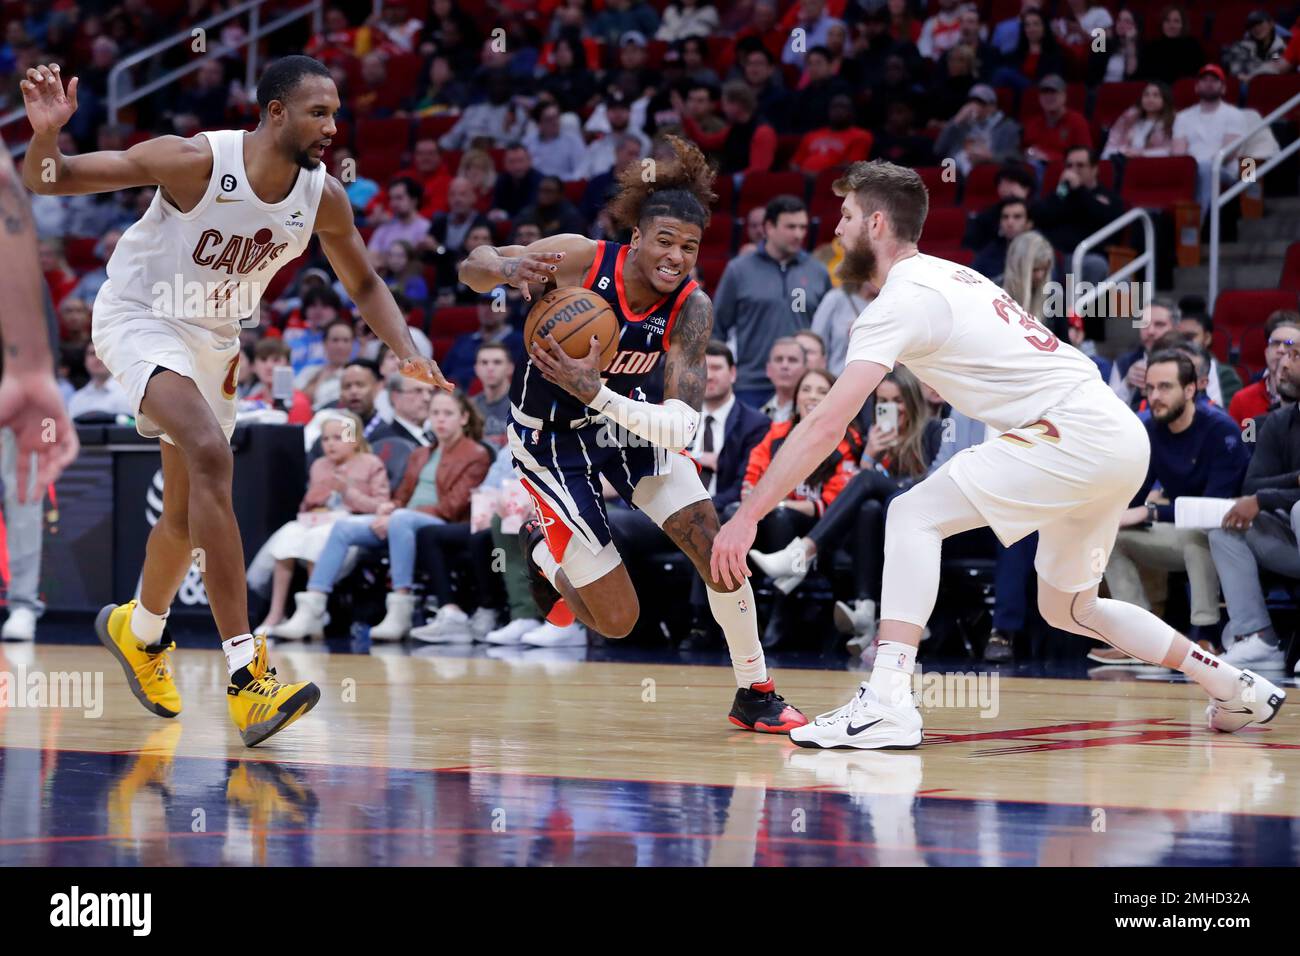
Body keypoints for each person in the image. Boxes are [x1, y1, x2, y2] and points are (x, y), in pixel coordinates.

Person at [710, 159, 1285, 749]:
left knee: (912, 514)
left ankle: (887, 701)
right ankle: (1230, 683)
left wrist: (746, 516)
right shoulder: (956, 276)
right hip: (1112, 433)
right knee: (1071, 607)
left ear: (877, 223)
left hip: (1070, 432)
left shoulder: (897, 302)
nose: (835, 230)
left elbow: (826, 423)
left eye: (847, 216)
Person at [21, 55, 450, 746]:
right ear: (275, 112)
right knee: (211, 453)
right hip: (140, 316)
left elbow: (366, 283)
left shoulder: (322, 198)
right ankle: (249, 678)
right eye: (319, 113)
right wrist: (46, 136)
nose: (333, 128)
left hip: (215, 339)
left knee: (187, 514)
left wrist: (405, 348)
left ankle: (140, 629)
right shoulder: (194, 161)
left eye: (337, 113)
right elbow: (51, 180)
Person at [457, 134, 809, 732]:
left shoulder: (693, 309)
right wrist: (508, 268)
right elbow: (473, 264)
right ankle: (541, 550)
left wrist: (597, 391)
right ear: (636, 237)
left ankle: (755, 690)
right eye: (664, 241)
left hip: (627, 418)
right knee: (617, 621)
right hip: (551, 434)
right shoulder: (579, 258)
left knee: (715, 545)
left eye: (690, 247)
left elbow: (682, 427)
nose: (676, 256)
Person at [275, 389, 491, 641]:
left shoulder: (476, 454)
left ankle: (399, 608)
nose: (440, 419)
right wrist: (391, 506)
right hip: (403, 519)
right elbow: (403, 494)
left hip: (442, 523)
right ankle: (313, 606)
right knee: (344, 527)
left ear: (464, 418)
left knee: (400, 520)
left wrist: (398, 512)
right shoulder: (421, 453)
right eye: (435, 413)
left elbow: (452, 507)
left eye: (448, 414)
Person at [748, 366, 938, 646]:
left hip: (920, 511)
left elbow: (929, 482)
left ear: (912, 400)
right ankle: (865, 611)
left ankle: (803, 552)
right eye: (883, 402)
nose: (891, 409)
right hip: (880, 524)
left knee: (868, 482)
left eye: (898, 401)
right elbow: (861, 490)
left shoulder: (931, 431)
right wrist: (870, 455)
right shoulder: (874, 439)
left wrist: (870, 469)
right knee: (867, 509)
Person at [1099, 350, 1250, 660]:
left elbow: (1213, 508)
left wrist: (1151, 512)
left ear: (1191, 389)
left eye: (1165, 387)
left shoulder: (1221, 430)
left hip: (1233, 535)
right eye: (1150, 388)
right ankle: (1138, 635)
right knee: (1109, 536)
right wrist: (1111, 515)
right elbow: (1136, 495)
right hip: (1179, 530)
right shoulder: (1150, 430)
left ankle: (1206, 636)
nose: (1155, 396)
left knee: (1199, 535)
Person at [742, 367, 861, 647]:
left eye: (822, 391)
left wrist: (779, 502)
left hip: (821, 529)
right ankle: (718, 621)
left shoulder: (847, 439)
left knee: (783, 516)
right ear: (796, 398)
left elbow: (832, 503)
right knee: (730, 518)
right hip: (773, 517)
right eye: (806, 390)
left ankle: (782, 614)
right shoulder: (776, 434)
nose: (812, 397)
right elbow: (751, 480)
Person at [1207, 338, 1300, 673]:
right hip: (1292, 542)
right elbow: (1252, 487)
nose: (1283, 364)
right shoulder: (1279, 422)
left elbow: (1263, 495)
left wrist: (1269, 498)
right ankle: (1259, 638)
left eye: (1296, 355)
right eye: (1284, 355)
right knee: (1226, 529)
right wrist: (1294, 481)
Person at [256, 412, 389, 633]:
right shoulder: (319, 465)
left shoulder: (370, 464)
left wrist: (348, 491)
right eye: (326, 439)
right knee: (288, 536)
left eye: (338, 438)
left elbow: (381, 507)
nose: (330, 444)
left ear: (354, 439)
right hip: (319, 520)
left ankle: (314, 611)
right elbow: (306, 506)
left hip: (351, 525)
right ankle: (276, 612)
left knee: (318, 539)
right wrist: (314, 499)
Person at [714, 196, 831, 408]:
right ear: (769, 227)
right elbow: (716, 328)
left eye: (803, 227)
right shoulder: (739, 270)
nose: (798, 234)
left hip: (803, 388)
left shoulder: (818, 272)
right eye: (791, 227)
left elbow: (826, 332)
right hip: (750, 386)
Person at [1171, 64, 1253, 216]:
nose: (1208, 83)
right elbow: (1179, 153)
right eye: (1204, 80)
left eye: (1214, 80)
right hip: (1191, 168)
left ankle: (1197, 223)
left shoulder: (1235, 114)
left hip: (1225, 170)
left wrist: (1200, 166)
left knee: (1206, 167)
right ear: (1196, 87)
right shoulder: (1182, 117)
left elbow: (1227, 154)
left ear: (1223, 88)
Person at [932, 83, 1021, 178]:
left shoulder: (1007, 126)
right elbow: (938, 149)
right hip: (957, 171)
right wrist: (956, 122)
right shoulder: (962, 123)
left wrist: (990, 157)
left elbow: (1014, 156)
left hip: (988, 170)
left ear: (992, 106)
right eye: (972, 102)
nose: (976, 107)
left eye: (981, 103)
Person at [1228, 311, 1300, 426]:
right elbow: (1243, 443)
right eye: (1275, 343)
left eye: (1289, 343)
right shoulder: (1242, 399)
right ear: (1266, 353)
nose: (1281, 350)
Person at [1110, 298, 1178, 410]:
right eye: (1145, 324)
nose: (1150, 331)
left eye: (1159, 324)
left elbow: (1211, 407)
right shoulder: (1124, 363)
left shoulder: (1194, 360)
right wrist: (1127, 384)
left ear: (1176, 328)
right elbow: (1110, 411)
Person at [241, 337, 313, 424]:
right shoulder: (248, 402)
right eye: (263, 359)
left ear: (288, 365)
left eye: (276, 360)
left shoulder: (298, 403)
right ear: (253, 366)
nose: (269, 366)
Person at [1022, 74, 1091, 165]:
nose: (1048, 96)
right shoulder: (1033, 123)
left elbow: (1085, 156)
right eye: (1045, 92)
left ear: (1064, 96)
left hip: (1065, 171)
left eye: (1053, 92)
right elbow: (1025, 150)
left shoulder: (1077, 122)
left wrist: (1049, 158)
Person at [1102, 82, 1177, 159]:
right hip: (1124, 163)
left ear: (1165, 99)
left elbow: (1170, 151)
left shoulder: (1172, 122)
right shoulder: (1129, 118)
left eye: (1156, 95)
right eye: (1146, 95)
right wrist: (1123, 151)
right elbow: (1110, 147)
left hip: (1154, 165)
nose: (1150, 99)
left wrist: (1141, 154)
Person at [67, 340, 132, 420]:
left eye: (103, 353)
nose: (98, 359)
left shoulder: (129, 396)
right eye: (92, 353)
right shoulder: (76, 400)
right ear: (84, 360)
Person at [470, 341, 514, 447]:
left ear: (510, 368)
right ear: (476, 369)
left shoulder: (523, 403)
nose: (490, 368)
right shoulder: (470, 406)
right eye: (484, 363)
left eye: (497, 362)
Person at [759, 337, 807, 422]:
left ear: (805, 369)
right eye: (779, 359)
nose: (784, 366)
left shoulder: (811, 412)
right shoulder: (759, 415)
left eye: (792, 360)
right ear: (768, 369)